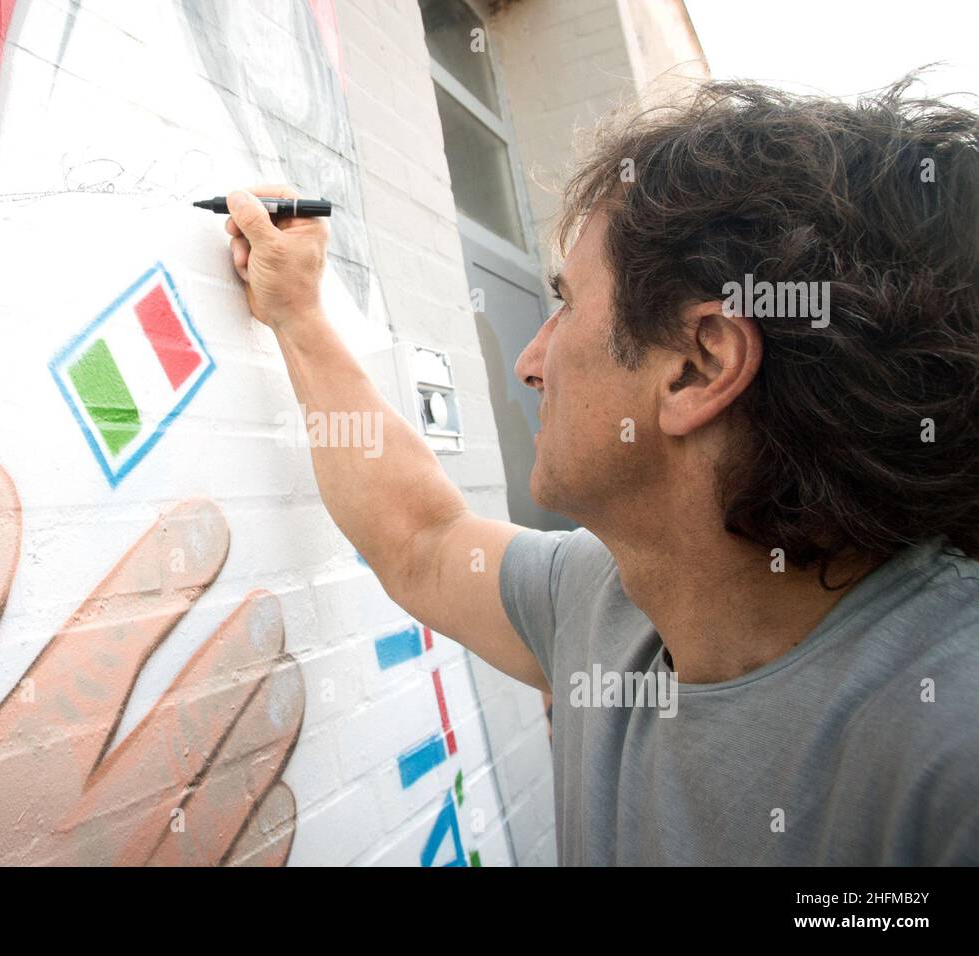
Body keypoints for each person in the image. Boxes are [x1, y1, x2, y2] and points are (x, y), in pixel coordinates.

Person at [220, 77, 979, 865]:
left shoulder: (951, 737)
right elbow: (421, 539)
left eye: (568, 305)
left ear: (696, 366)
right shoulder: (603, 600)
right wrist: (297, 313)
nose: (529, 361)